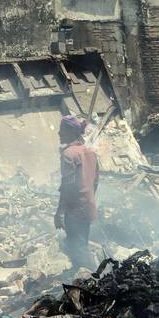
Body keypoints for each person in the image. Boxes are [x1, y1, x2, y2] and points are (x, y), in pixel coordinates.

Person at [55, 114, 99, 271]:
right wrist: (88, 197)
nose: (59, 134)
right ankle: (80, 279)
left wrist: (60, 213)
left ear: (69, 132)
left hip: (75, 210)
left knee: (77, 249)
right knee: (81, 244)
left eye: (61, 130)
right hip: (89, 207)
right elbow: (95, 182)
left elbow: (68, 187)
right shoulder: (91, 152)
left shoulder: (68, 154)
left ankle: (96, 277)